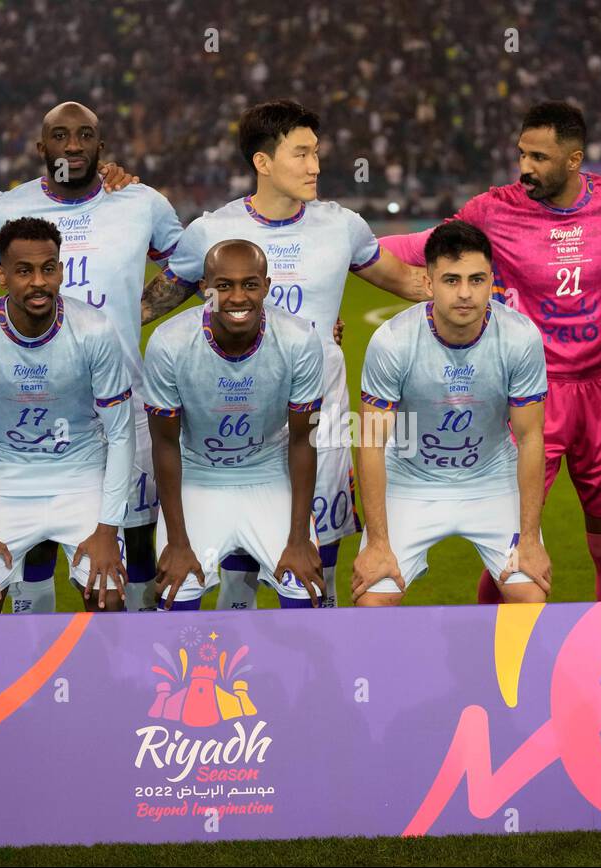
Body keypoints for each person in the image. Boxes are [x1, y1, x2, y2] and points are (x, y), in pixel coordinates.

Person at [141, 99, 426, 608]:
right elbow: (154, 302)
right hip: (241, 407)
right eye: (301, 154)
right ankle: (243, 658)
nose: (315, 166)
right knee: (238, 553)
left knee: (322, 551)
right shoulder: (211, 232)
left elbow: (406, 281)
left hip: (322, 413)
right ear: (263, 162)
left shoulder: (343, 226)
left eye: (316, 153)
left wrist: (483, 280)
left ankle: (324, 654)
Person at [379, 101, 601, 603]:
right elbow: (423, 244)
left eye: (539, 157)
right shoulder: (494, 209)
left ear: (575, 160)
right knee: (510, 550)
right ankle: (494, 664)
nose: (525, 168)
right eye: (522, 155)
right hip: (531, 394)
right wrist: (347, 249)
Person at [0, 101, 182, 613]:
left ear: (101, 148)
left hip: (123, 401)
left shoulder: (142, 202)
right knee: (36, 540)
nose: (73, 146)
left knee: (135, 537)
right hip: (34, 406)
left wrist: (139, 310)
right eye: (60, 136)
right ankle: (36, 659)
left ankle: (134, 655)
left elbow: (191, 265)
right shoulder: (5, 209)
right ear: (42, 148)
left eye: (85, 136)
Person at [0, 218, 133, 613]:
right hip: (5, 475)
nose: (38, 282)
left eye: (48, 268)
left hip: (80, 472)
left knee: (109, 595)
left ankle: (101, 677)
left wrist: (108, 528)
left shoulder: (93, 330)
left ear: (61, 271)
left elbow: (121, 434)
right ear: (2, 275)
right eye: (24, 271)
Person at [352, 221, 550, 606]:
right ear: (428, 284)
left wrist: (530, 539)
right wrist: (377, 542)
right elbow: (372, 442)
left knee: (530, 593)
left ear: (492, 281)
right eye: (451, 280)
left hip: (491, 477)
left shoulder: (520, 337)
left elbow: (530, 438)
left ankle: (506, 669)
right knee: (372, 599)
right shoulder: (392, 342)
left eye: (477, 280)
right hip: (411, 480)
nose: (465, 293)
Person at [142, 239, 325, 611]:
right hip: (198, 477)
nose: (238, 297)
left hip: (269, 474)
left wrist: (299, 538)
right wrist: (178, 544)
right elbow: (164, 445)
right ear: (205, 288)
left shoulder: (299, 339)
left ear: (267, 286)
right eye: (224, 286)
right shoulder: (170, 342)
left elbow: (303, 441)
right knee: (178, 590)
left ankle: (290, 672)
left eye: (250, 285)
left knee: (304, 588)